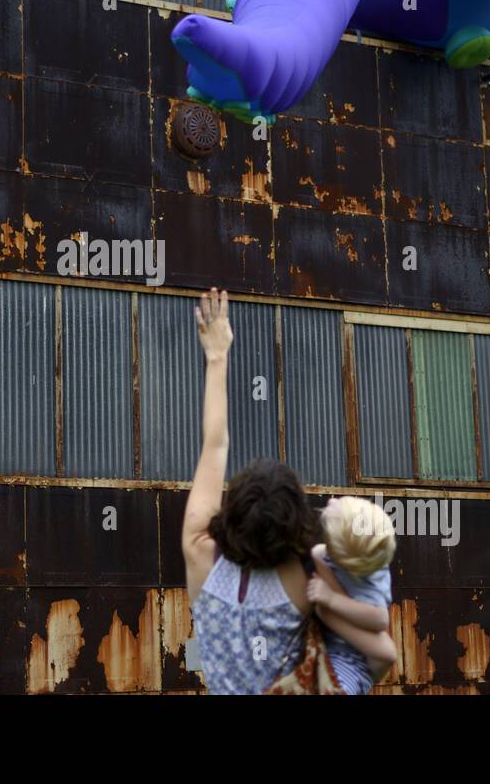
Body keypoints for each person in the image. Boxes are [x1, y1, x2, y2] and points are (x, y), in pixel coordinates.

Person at [181, 288, 397, 694]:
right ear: (296, 522)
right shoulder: (306, 579)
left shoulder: (198, 550)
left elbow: (215, 444)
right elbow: (382, 653)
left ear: (231, 513)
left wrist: (217, 355)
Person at [307, 496, 396, 695]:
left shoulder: (368, 578)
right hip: (329, 647)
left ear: (338, 557)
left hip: (349, 659)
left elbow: (380, 619)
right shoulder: (333, 555)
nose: (330, 501)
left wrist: (331, 598)